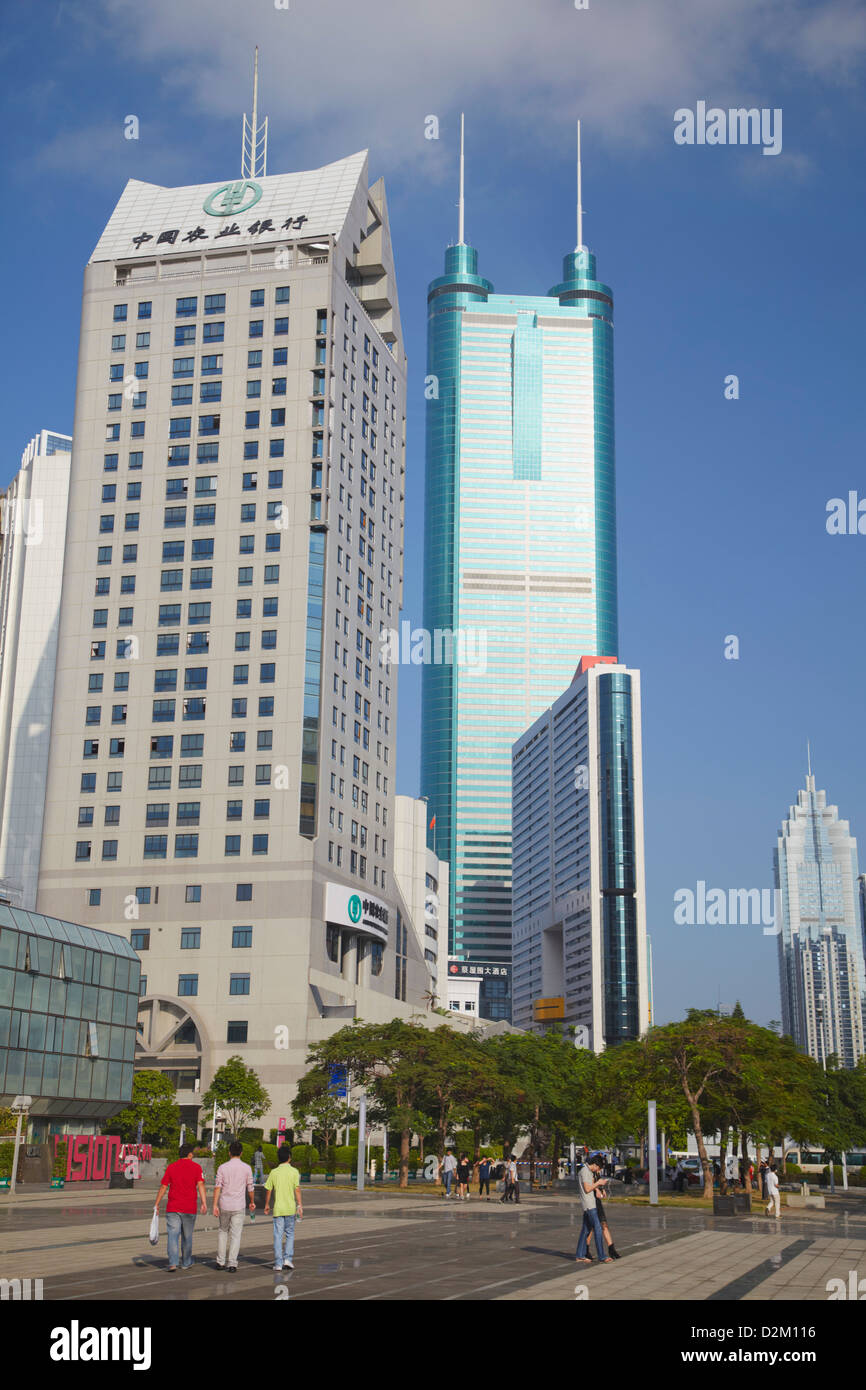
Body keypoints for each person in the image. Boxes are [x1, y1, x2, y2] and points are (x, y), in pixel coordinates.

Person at [154, 1142, 207, 1272]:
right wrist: (204, 1203)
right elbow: (200, 1185)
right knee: (187, 1236)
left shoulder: (171, 1167)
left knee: (173, 1235)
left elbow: (163, 1186)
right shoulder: (196, 1167)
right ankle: (186, 1262)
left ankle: (172, 1263)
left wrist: (157, 1203)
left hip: (173, 1207)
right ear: (190, 1154)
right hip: (189, 1207)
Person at [213, 1140, 256, 1272]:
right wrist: (252, 1201)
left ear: (229, 1153)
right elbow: (250, 1187)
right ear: (241, 1153)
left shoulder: (222, 1167)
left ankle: (220, 1261)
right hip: (239, 1205)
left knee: (222, 1232)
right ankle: (232, 1263)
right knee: (236, 1235)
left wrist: (214, 1204)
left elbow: (218, 1187)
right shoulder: (247, 1168)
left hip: (224, 1204)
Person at [263, 1144, 303, 1272]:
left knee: (278, 1235)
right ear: (289, 1158)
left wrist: (267, 1204)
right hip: (290, 1208)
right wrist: (300, 1205)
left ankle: (278, 1263)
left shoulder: (274, 1172)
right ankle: (288, 1260)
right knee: (290, 1234)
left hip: (278, 1209)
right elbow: (297, 1189)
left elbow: (268, 1189)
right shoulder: (294, 1172)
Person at [575, 1154, 611, 1264]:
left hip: (590, 1204)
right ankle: (602, 1256)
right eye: (599, 1168)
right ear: (595, 1165)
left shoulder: (587, 1171)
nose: (598, 1171)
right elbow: (587, 1189)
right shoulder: (585, 1171)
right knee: (598, 1228)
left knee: (585, 1229)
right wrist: (598, 1183)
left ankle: (580, 1255)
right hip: (589, 1205)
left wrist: (598, 1188)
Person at [585, 1157, 622, 1260]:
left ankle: (611, 1249)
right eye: (600, 1167)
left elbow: (599, 1183)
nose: (600, 1170)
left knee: (604, 1224)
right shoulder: (590, 1172)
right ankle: (586, 1249)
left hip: (598, 1202)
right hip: (592, 1202)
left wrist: (603, 1190)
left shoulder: (597, 1173)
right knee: (592, 1227)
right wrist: (597, 1190)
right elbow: (591, 1185)